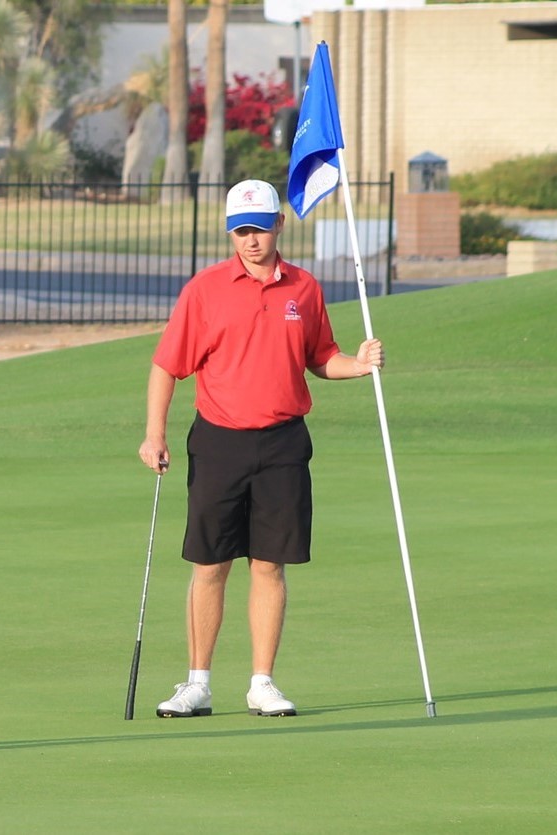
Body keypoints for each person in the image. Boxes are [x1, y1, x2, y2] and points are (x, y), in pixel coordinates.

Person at [137, 180, 383, 719]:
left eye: (260, 228)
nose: (251, 240)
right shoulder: (204, 290)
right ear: (231, 231)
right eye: (241, 231)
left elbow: (323, 358)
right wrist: (154, 434)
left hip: (283, 444)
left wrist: (358, 365)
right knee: (210, 565)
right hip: (218, 441)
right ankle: (197, 684)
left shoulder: (305, 288)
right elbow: (167, 365)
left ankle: (262, 683)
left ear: (279, 225)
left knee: (270, 565)